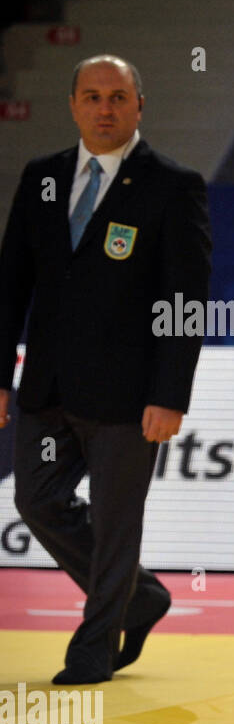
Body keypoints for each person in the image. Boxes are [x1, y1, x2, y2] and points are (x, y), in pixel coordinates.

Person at [0, 54, 211, 684]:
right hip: (47, 387)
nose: (104, 108)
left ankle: (93, 650)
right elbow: (11, 283)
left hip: (129, 395)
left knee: (118, 523)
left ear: (139, 105)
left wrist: (170, 393)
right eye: (91, 96)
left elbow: (185, 301)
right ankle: (139, 597)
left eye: (117, 96)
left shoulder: (172, 185)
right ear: (72, 105)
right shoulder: (42, 178)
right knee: (36, 501)